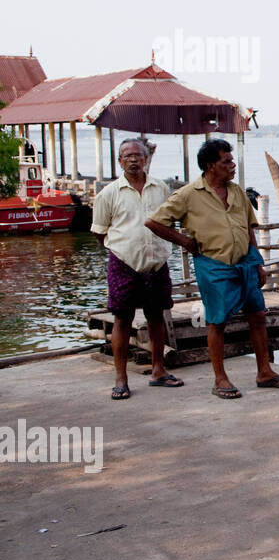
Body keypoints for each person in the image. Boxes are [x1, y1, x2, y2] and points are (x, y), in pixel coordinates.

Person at [145, 139, 279, 399]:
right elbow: (154, 221)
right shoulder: (188, 195)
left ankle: (264, 372)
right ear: (210, 166)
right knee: (217, 322)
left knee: (257, 316)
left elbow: (248, 227)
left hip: (245, 263)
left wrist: (257, 262)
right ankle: (220, 379)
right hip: (214, 266)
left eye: (231, 160)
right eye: (226, 161)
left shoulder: (236, 191)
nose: (232, 165)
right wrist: (185, 242)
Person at [91, 138, 184, 399]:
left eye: (137, 155)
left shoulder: (161, 188)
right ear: (120, 161)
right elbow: (100, 233)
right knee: (123, 319)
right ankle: (121, 378)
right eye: (127, 156)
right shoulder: (108, 194)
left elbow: (169, 222)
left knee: (157, 317)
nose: (133, 160)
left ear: (146, 159)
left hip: (157, 263)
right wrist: (124, 249)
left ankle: (159, 370)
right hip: (124, 264)